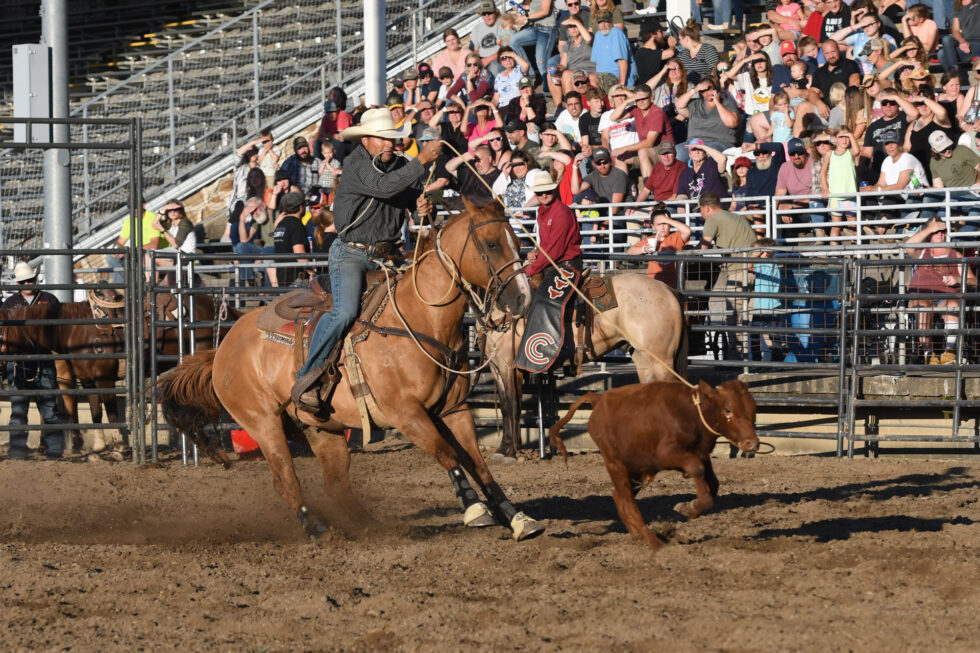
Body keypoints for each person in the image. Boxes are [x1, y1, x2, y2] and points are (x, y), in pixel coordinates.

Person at [293, 108, 442, 411]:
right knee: (345, 311)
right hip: (351, 253)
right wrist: (422, 161)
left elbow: (414, 204)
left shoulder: (401, 165)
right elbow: (383, 186)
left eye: (391, 139)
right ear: (366, 140)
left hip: (388, 254)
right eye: (382, 139)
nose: (389, 144)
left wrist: (426, 208)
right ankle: (308, 374)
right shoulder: (355, 163)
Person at [2, 262, 63, 460]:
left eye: (31, 279)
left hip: (43, 359)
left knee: (49, 409)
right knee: (19, 409)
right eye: (24, 280)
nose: (28, 282)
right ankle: (19, 450)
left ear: (36, 279)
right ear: (18, 282)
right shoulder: (9, 304)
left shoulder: (49, 300)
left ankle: (54, 450)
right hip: (18, 361)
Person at [905, 219, 977, 363]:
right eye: (936, 231)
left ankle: (949, 352)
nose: (940, 234)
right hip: (922, 296)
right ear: (929, 233)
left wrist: (958, 279)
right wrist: (929, 228)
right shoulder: (921, 252)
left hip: (947, 296)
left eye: (942, 231)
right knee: (922, 307)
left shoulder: (956, 255)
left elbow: (974, 281)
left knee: (953, 305)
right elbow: (908, 246)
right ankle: (928, 354)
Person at [699, 192, 758, 359]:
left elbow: (703, 247)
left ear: (707, 208)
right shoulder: (737, 218)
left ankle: (736, 359)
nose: (701, 215)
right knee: (750, 319)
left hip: (738, 272)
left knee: (734, 318)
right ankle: (756, 359)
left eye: (701, 211)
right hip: (755, 272)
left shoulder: (713, 219)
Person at [626, 205, 692, 287]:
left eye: (665, 224)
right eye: (659, 224)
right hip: (654, 284)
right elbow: (630, 251)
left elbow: (687, 231)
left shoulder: (677, 237)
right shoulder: (649, 239)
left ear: (669, 224)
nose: (662, 227)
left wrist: (668, 220)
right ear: (653, 227)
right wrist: (644, 249)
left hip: (674, 285)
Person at [105, 201, 163, 285]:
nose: (134, 210)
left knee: (142, 258)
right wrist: (116, 249)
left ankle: (134, 288)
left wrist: (131, 250)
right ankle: (122, 289)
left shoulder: (152, 217)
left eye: (136, 207)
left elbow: (154, 245)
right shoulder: (129, 220)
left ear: (143, 205)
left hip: (152, 255)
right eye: (131, 208)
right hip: (137, 253)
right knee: (110, 257)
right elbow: (120, 242)